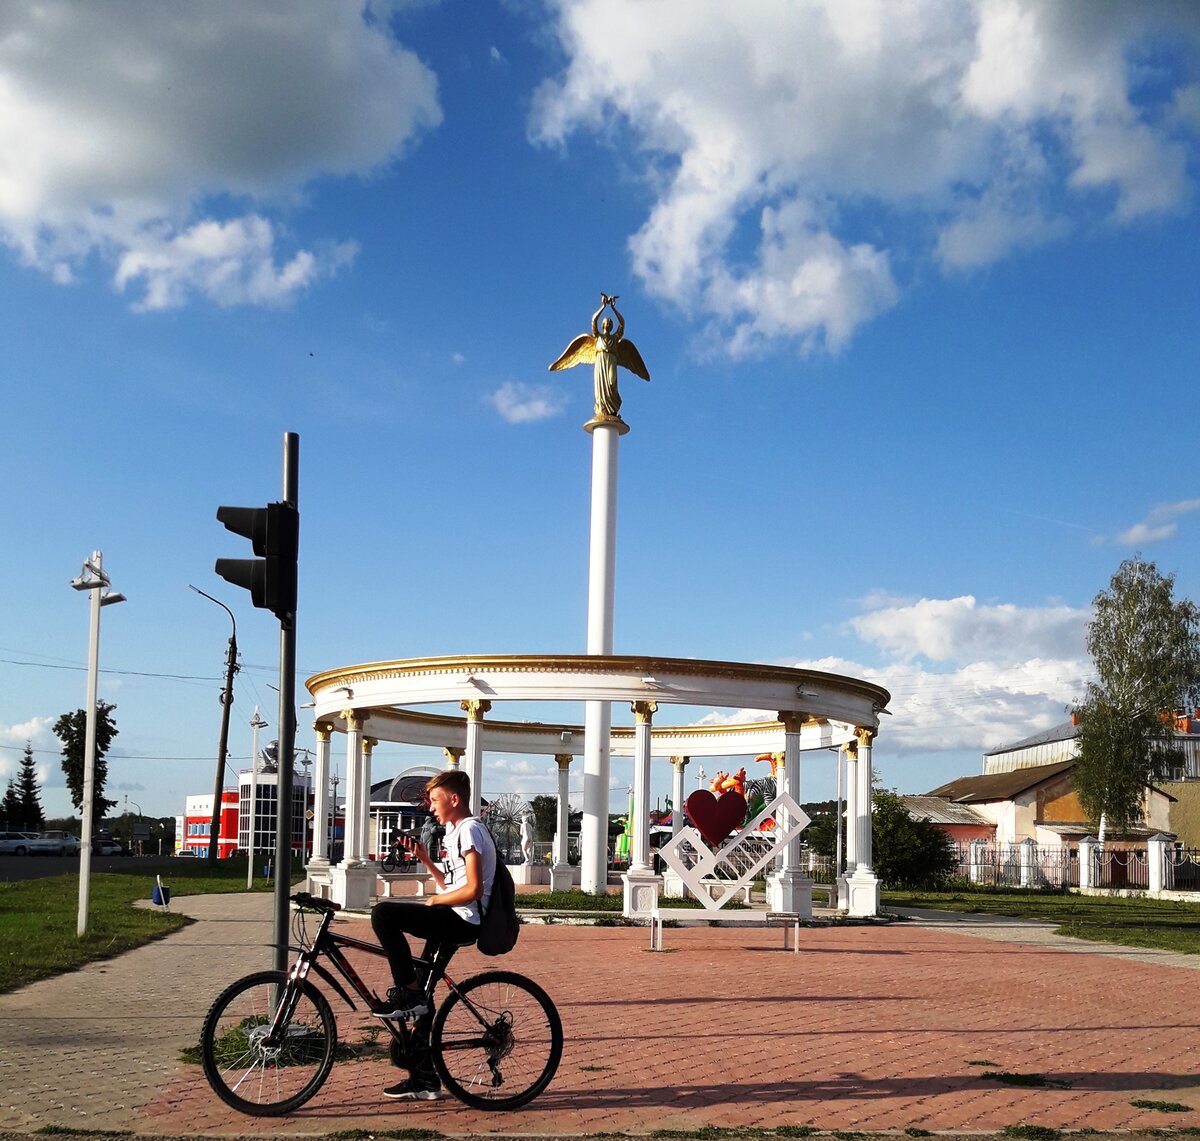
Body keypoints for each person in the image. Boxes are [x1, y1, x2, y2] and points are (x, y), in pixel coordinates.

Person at [370, 769, 497, 1101]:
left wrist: (437, 900)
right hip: (453, 914)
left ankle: (407, 993)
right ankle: (425, 1079)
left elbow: (470, 890)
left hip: (461, 920)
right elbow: (452, 884)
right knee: (425, 997)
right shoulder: (456, 831)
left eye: (436, 800)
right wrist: (425, 859)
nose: (431, 808)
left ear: (454, 799)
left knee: (383, 914)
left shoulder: (469, 830)